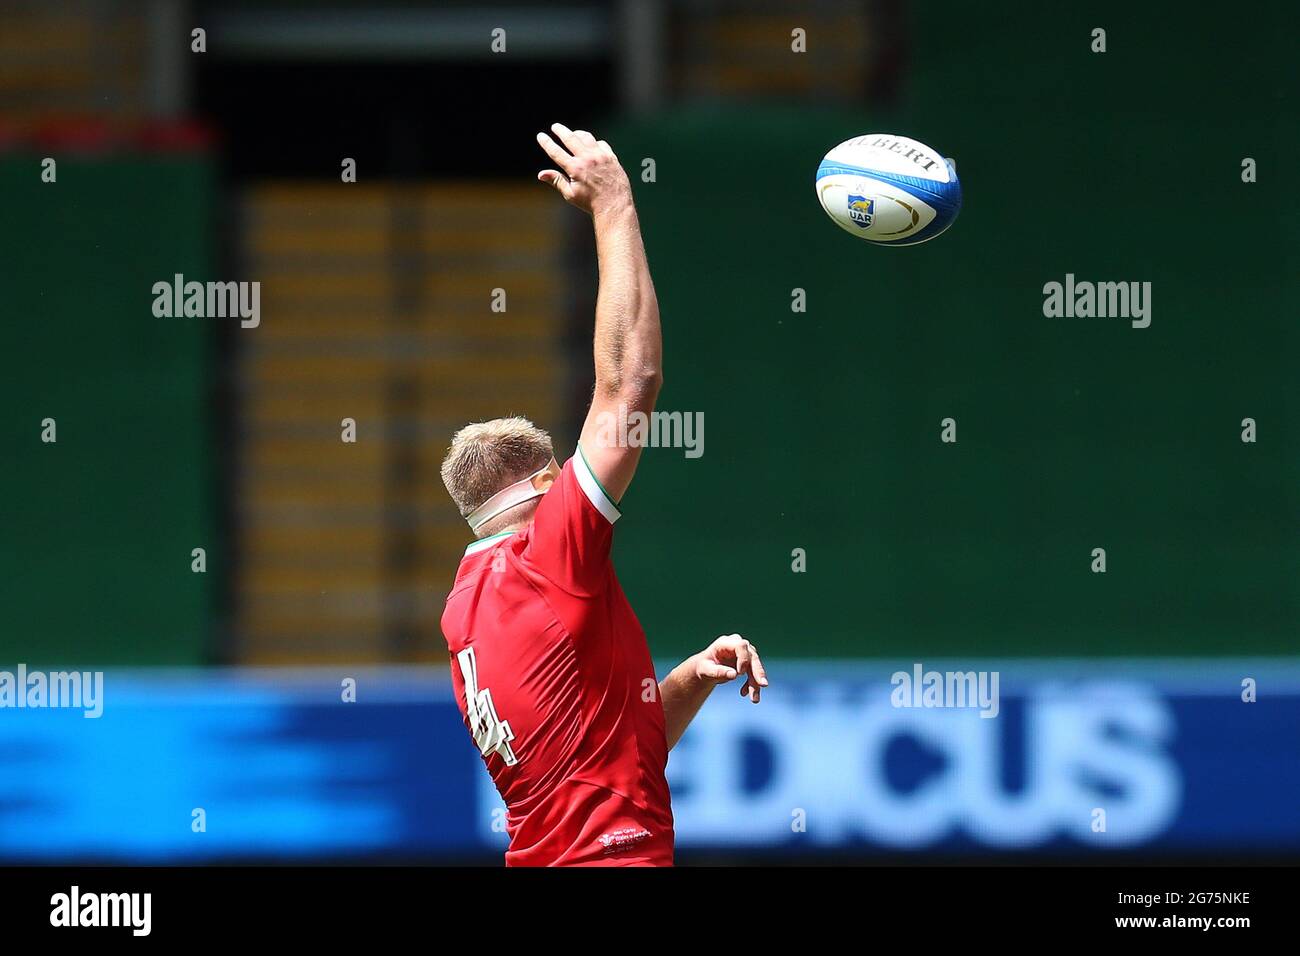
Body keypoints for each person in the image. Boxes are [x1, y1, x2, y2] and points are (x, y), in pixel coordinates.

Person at [438, 124, 768, 866]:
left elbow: (596, 759)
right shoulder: (546, 556)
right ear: (548, 487)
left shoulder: (465, 607)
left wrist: (683, 681)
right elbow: (629, 387)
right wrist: (614, 204)